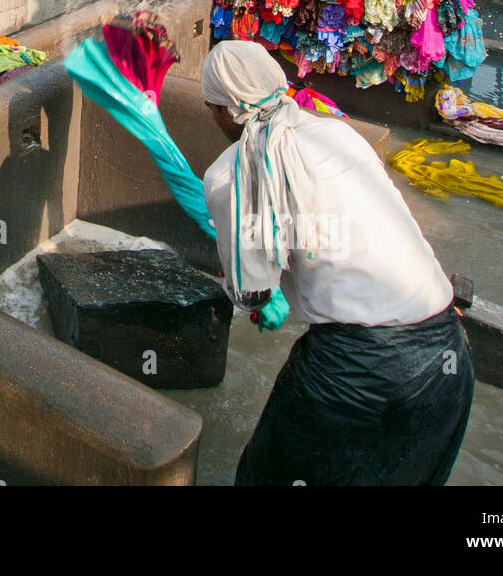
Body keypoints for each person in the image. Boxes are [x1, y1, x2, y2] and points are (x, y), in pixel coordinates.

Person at [200, 40, 473, 486]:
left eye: (212, 109)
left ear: (225, 111)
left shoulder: (234, 173)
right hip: (448, 352)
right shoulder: (338, 134)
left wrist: (248, 291)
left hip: (359, 368)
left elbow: (253, 290)